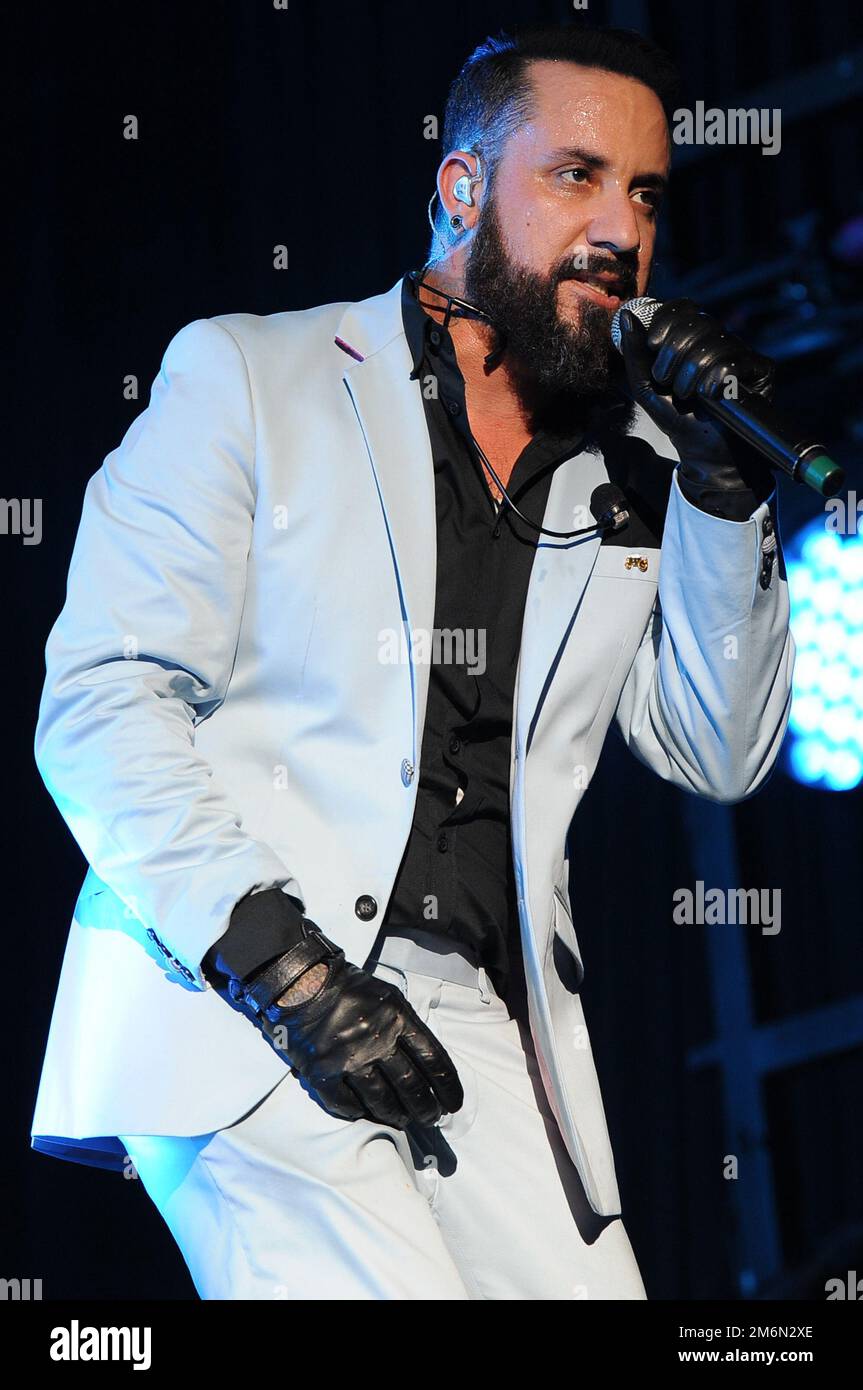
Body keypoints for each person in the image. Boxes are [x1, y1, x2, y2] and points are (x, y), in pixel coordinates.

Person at [30, 23, 794, 1299]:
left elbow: (717, 753)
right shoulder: (254, 375)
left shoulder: (633, 484)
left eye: (645, 194)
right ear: (458, 189)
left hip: (486, 1025)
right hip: (241, 973)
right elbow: (101, 707)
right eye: (574, 175)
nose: (618, 228)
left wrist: (720, 488)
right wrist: (285, 967)